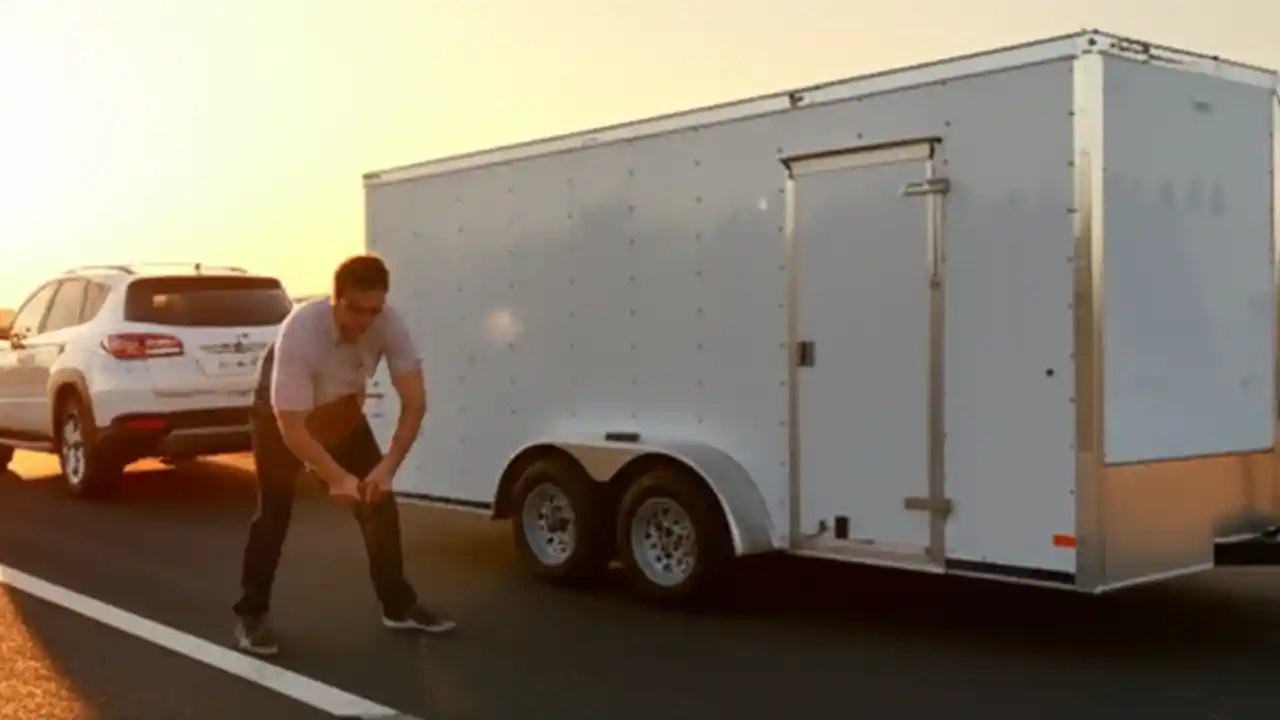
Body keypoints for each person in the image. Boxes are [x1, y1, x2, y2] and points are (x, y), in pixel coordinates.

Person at [232, 254, 455, 656]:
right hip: (281, 412)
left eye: (374, 310)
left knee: (379, 503)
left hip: (338, 408)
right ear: (334, 299)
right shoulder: (301, 331)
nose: (364, 321)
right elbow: (293, 429)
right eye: (355, 309)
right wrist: (334, 478)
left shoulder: (389, 323)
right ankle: (251, 616)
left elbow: (415, 403)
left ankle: (398, 606)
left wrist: (387, 468)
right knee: (275, 511)